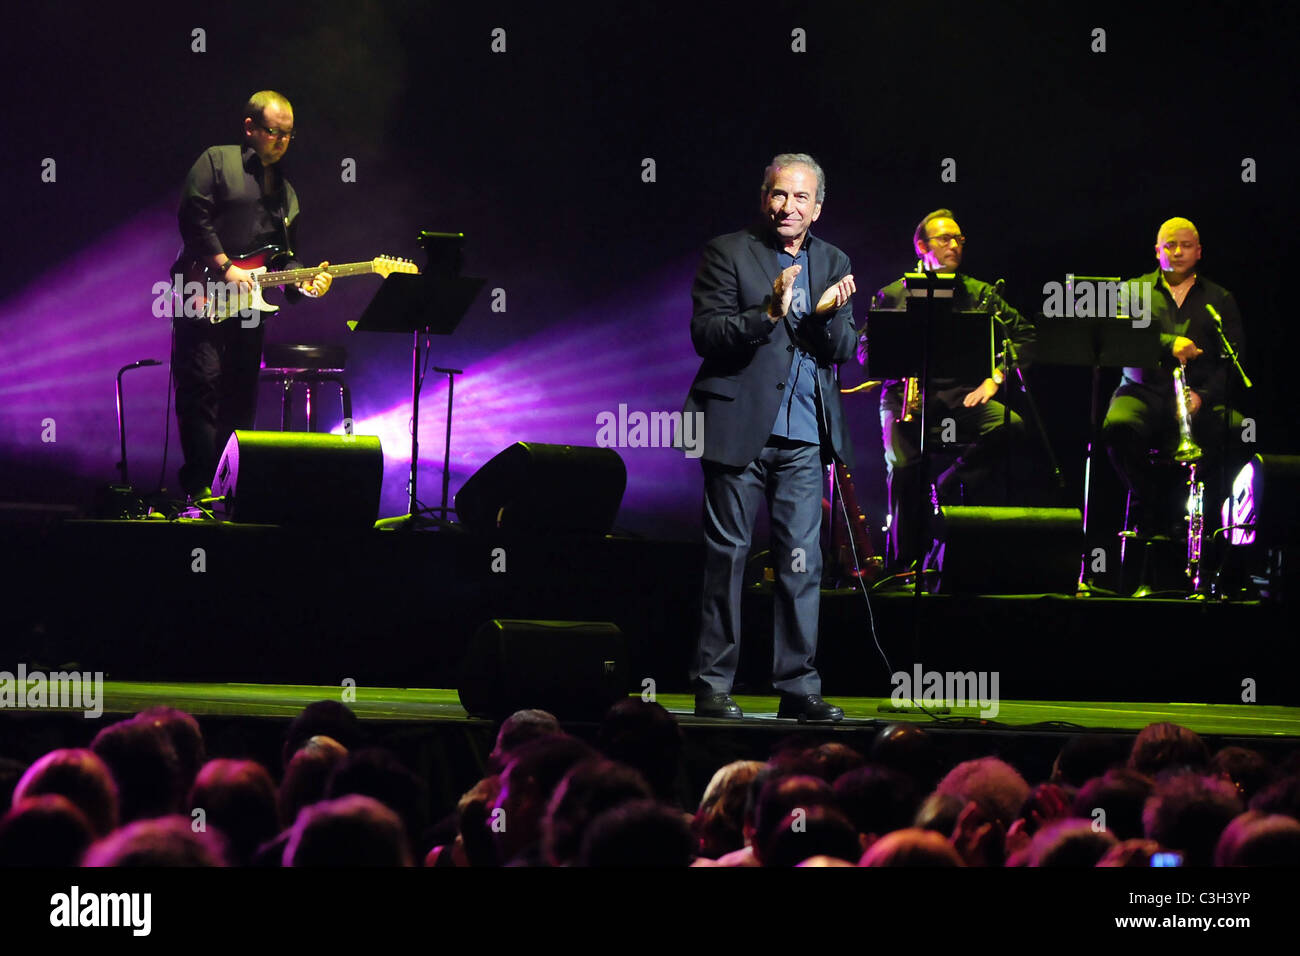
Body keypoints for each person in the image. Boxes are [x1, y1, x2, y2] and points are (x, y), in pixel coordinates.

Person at [684, 153, 857, 723]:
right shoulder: (728, 251)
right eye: (780, 195)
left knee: (800, 564)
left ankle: (798, 687)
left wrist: (828, 315)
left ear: (818, 208)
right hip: (739, 428)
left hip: (806, 436)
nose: (788, 207)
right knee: (727, 556)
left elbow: (843, 351)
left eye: (801, 198)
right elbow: (707, 334)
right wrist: (769, 310)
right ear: (765, 197)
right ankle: (712, 685)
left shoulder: (834, 262)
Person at [171, 90, 333, 499]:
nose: (280, 142)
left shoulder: (286, 194)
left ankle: (229, 490)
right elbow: (193, 214)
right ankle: (199, 490)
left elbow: (284, 260)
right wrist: (225, 266)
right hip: (201, 289)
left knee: (240, 394)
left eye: (288, 135)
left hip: (249, 306)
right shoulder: (216, 161)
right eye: (274, 132)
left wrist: (304, 281)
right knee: (201, 385)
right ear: (250, 127)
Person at [861, 209, 1033, 571]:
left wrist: (996, 378)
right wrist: (900, 367)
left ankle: (949, 484)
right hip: (905, 399)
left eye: (959, 239)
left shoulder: (981, 294)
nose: (955, 245)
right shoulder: (893, 294)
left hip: (962, 399)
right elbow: (866, 349)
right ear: (922, 246)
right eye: (945, 239)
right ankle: (903, 567)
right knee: (905, 469)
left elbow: (1026, 337)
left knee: (1011, 426)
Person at [1101, 217, 1245, 536]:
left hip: (1197, 398)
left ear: (1199, 252)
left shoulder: (1221, 299)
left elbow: (1234, 362)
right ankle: (1152, 503)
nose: (1177, 251)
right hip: (1142, 392)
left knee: (1238, 431)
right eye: (1170, 245)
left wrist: (1203, 396)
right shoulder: (1130, 291)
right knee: (1117, 428)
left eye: (1186, 245)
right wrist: (1169, 344)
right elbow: (1120, 340)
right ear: (1157, 251)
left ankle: (1193, 507)